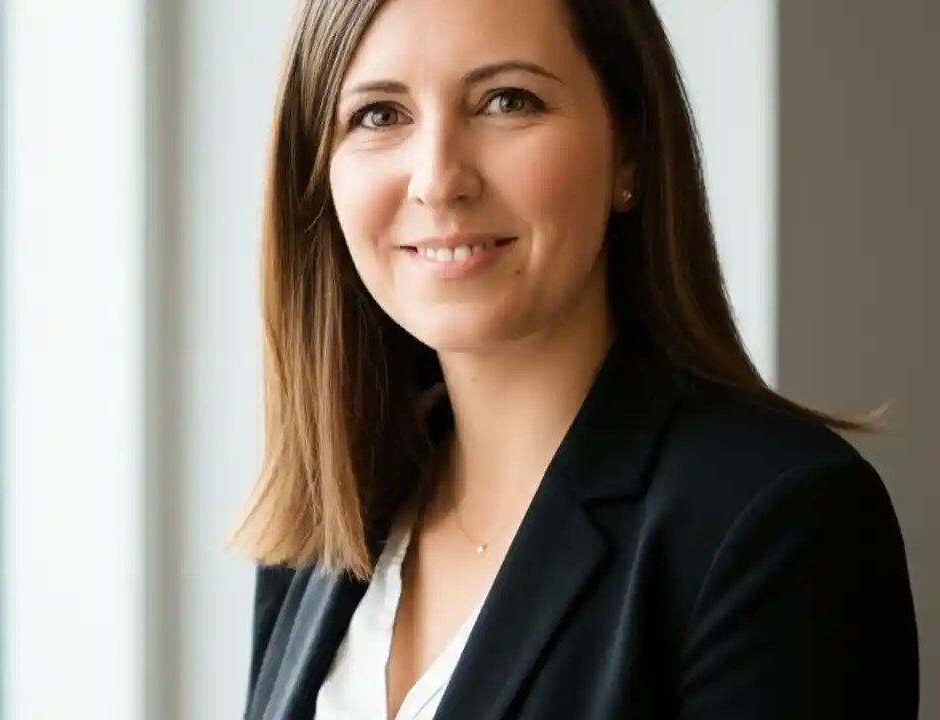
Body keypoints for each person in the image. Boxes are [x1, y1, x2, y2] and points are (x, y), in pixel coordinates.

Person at [228, 0, 919, 717]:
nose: (438, 179)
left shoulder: (773, 524)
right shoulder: (326, 529)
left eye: (506, 101)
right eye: (379, 115)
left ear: (630, 149)